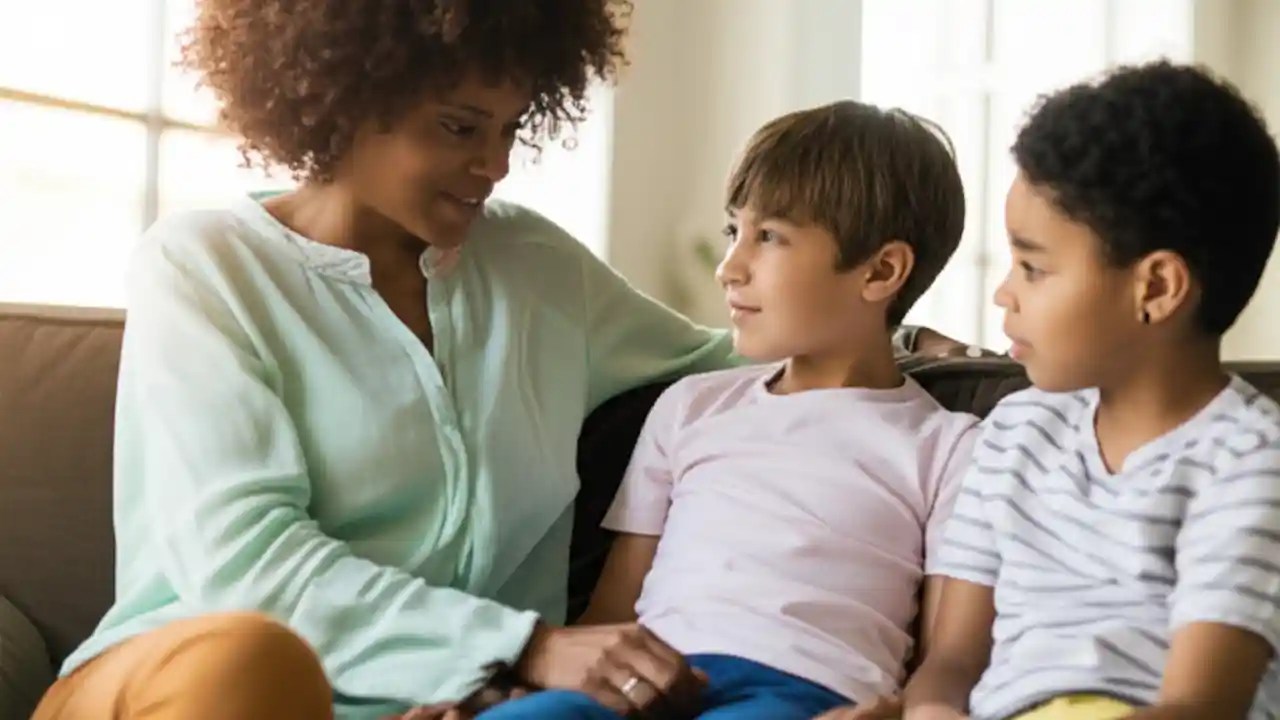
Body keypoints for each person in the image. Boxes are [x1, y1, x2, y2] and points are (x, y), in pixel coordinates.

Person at [30, 2, 964, 719]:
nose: (497, 163)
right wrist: (521, 646)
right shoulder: (206, 265)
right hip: (193, 684)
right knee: (248, 660)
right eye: (459, 126)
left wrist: (913, 341)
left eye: (513, 128)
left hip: (461, 706)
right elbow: (241, 563)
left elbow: (737, 357)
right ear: (348, 95)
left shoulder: (535, 267)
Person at [472, 100, 979, 720]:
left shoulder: (951, 445)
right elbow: (610, 615)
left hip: (802, 695)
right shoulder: (689, 407)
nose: (728, 268)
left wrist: (902, 713)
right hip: (641, 682)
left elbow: (952, 657)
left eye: (769, 237)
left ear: (881, 271)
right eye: (732, 231)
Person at [900, 61, 1280, 720]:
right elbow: (951, 663)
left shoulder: (1251, 461)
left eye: (1034, 268)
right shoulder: (1013, 434)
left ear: (1156, 288)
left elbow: (1200, 707)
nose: (1004, 292)